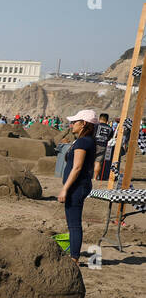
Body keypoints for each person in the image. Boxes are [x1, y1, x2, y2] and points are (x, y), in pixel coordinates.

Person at [58, 109, 98, 265]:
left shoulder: (83, 142)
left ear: (84, 124)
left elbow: (77, 167)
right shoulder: (86, 140)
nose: (72, 124)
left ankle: (74, 258)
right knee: (73, 222)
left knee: (74, 224)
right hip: (81, 185)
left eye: (75, 122)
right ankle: (74, 254)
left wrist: (65, 188)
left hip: (77, 186)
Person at [93, 111, 116, 181]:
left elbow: (92, 134)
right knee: (98, 162)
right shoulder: (110, 128)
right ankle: (95, 178)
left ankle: (87, 176)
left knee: (89, 160)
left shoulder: (96, 126)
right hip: (103, 146)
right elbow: (110, 138)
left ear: (99, 119)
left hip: (94, 144)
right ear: (107, 120)